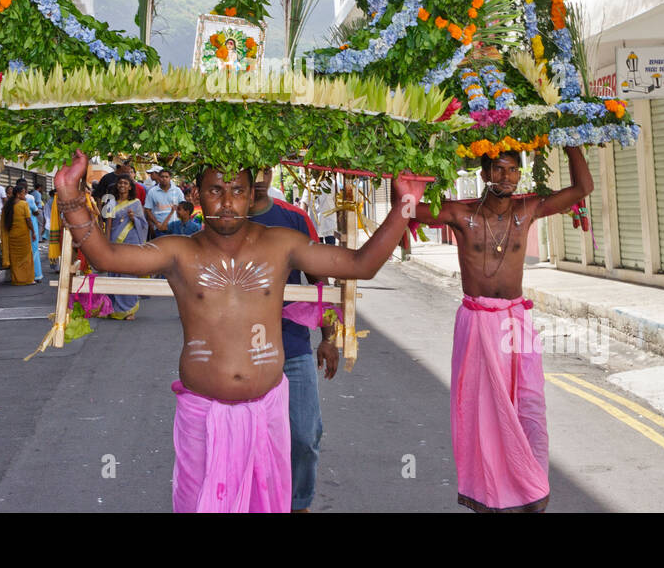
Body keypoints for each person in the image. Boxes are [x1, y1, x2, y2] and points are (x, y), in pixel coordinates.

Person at [53, 149, 423, 512]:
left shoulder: (281, 244)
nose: (227, 202)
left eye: (237, 191)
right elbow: (106, 257)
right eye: (215, 190)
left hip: (268, 413)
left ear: (252, 194)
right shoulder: (176, 251)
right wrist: (69, 193)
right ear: (196, 195)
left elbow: (361, 265)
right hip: (201, 416)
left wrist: (405, 204)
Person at [420, 146, 593, 512]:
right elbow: (407, 210)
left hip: (517, 322)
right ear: (483, 174)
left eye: (514, 171)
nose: (507, 178)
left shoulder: (527, 210)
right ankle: (487, 493)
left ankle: (530, 488)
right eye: (499, 170)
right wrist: (414, 157)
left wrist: (571, 140)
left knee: (528, 404)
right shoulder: (460, 214)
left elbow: (582, 189)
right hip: (477, 321)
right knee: (482, 410)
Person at [249, 166, 339, 513]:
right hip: (238, 351)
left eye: (263, 169)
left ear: (271, 173)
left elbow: (320, 281)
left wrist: (328, 337)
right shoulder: (225, 217)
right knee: (247, 440)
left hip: (293, 345)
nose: (258, 178)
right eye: (249, 170)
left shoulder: (294, 218)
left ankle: (297, 504)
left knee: (304, 436)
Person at [98, 174, 149, 320]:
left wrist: (134, 218)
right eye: (120, 183)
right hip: (114, 241)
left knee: (128, 274)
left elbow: (143, 224)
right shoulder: (110, 202)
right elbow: (107, 224)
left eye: (126, 183)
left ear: (130, 186)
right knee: (114, 274)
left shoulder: (136, 203)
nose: (122, 186)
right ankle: (113, 307)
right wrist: (106, 242)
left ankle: (129, 309)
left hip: (131, 241)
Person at [1, 181, 35, 286]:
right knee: (26, 259)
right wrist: (33, 231)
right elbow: (28, 220)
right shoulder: (24, 204)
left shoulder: (7, 206)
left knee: (15, 259)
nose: (25, 195)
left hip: (12, 235)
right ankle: (27, 279)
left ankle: (16, 280)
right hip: (23, 235)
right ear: (18, 194)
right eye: (24, 193)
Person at [145, 168, 185, 237]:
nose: (164, 179)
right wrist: (156, 223)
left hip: (175, 228)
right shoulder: (152, 192)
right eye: (162, 177)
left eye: (166, 177)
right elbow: (148, 210)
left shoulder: (177, 191)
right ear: (159, 178)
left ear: (170, 178)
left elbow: (183, 207)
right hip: (159, 229)